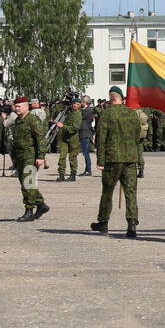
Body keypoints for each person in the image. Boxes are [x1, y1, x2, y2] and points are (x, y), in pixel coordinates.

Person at [91, 87, 142, 238]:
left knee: (107, 192)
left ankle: (103, 222)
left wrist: (100, 160)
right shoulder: (132, 113)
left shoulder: (106, 114)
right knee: (131, 193)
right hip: (130, 159)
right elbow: (137, 135)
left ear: (111, 98)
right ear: (121, 98)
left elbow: (101, 138)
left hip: (112, 160)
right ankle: (132, 224)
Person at [9, 96, 50, 222]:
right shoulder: (18, 121)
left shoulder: (32, 120)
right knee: (25, 182)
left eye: (19, 106)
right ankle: (41, 204)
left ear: (26, 106)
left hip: (30, 155)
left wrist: (40, 156)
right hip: (20, 156)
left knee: (28, 183)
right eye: (16, 106)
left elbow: (40, 139)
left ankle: (29, 210)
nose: (17, 109)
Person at [56, 97, 83, 181]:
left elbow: (75, 128)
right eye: (74, 103)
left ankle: (73, 174)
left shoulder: (78, 114)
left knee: (72, 157)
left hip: (73, 139)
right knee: (62, 156)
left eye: (77, 104)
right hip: (65, 138)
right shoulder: (69, 112)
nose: (75, 105)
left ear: (80, 105)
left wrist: (63, 126)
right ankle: (61, 174)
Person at [78, 96, 95, 176]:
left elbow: (80, 117)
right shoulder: (85, 110)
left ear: (85, 102)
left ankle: (88, 170)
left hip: (85, 133)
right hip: (84, 132)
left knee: (86, 153)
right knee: (85, 153)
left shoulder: (87, 111)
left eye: (81, 101)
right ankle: (87, 169)